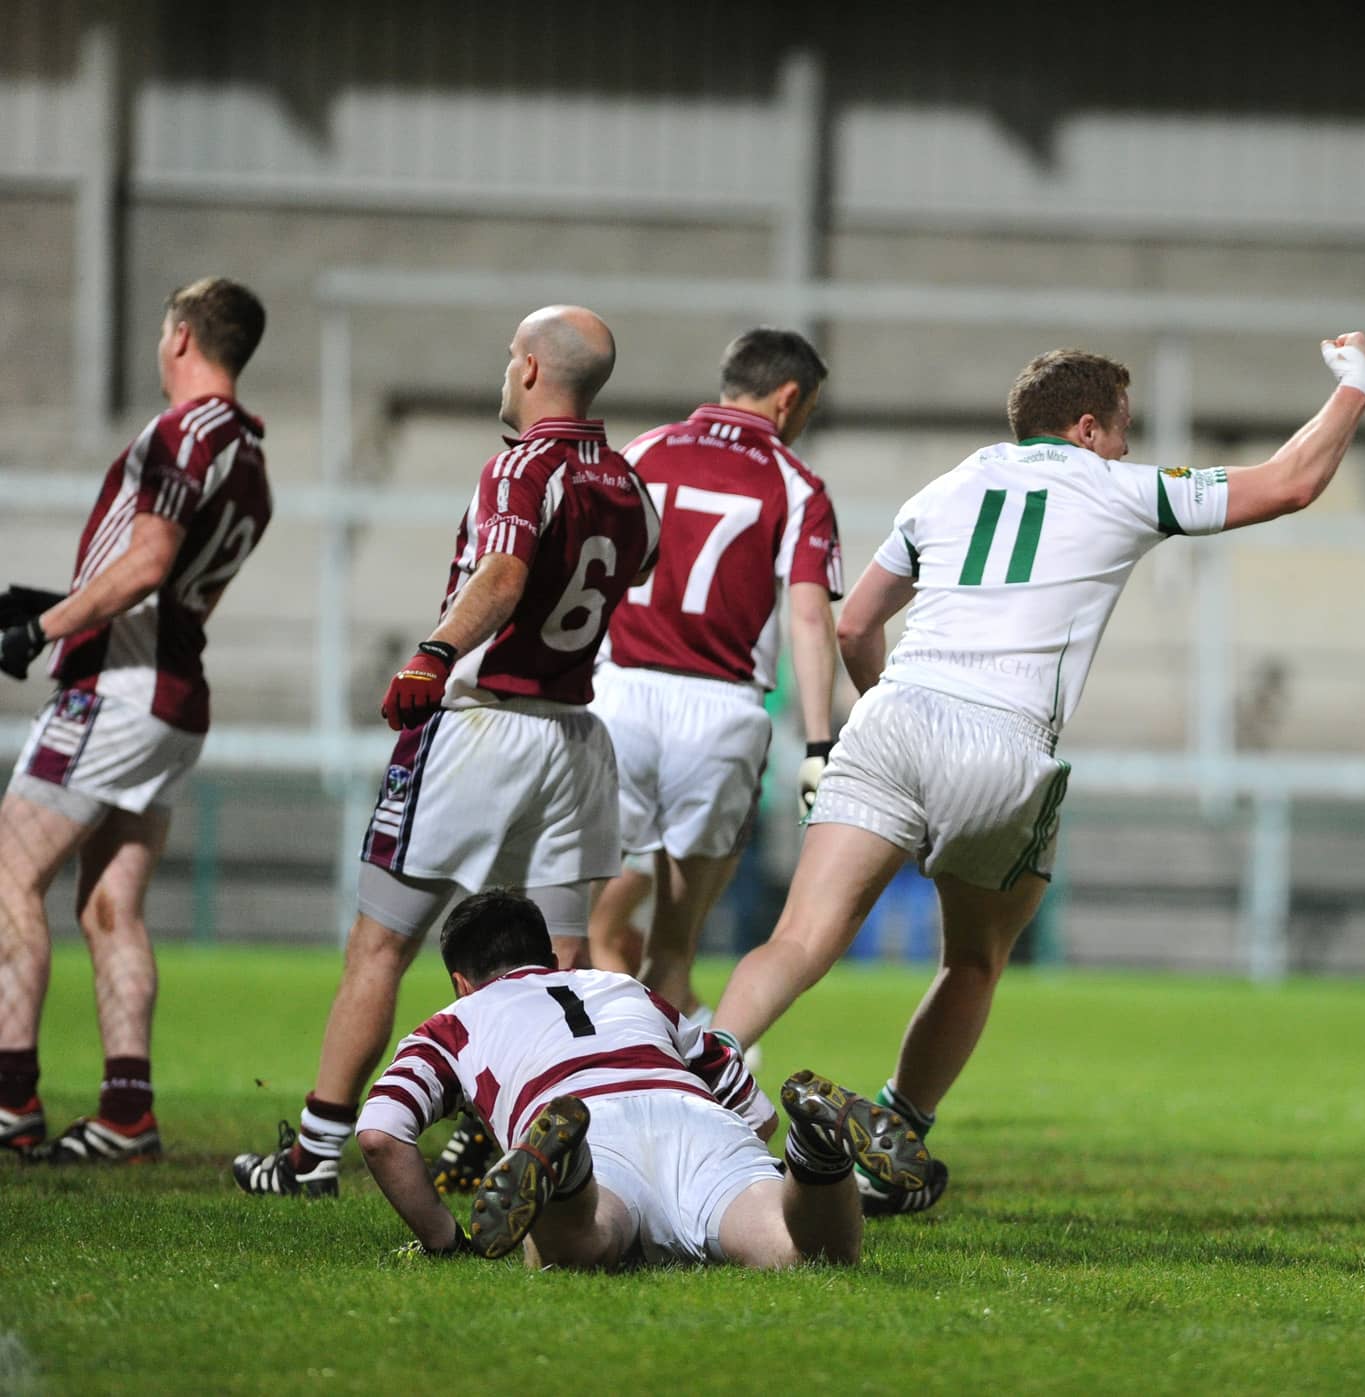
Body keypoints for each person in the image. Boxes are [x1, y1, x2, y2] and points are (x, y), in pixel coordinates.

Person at [709, 333, 1365, 1214]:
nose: (1130, 450)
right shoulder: (1117, 487)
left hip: (894, 712)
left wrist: (893, 730)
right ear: (1089, 427)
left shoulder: (945, 488)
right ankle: (897, 1137)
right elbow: (1291, 481)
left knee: (798, 940)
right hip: (1001, 740)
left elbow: (850, 627)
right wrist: (1356, 389)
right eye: (1124, 431)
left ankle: (697, 1074)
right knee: (976, 958)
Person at [232, 305, 660, 1198]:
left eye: (512, 357)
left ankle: (313, 1156)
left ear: (536, 371)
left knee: (381, 941)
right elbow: (629, 573)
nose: (506, 372)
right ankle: (576, 1144)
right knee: (564, 967)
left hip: (484, 726)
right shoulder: (631, 485)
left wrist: (433, 650)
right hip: (577, 737)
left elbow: (504, 574)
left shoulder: (520, 465)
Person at [0, 278, 271, 1163]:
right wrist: (70, 601)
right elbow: (188, 590)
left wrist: (38, 629)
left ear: (182, 335)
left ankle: (10, 1100)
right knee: (112, 903)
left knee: (10, 877)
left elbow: (151, 560)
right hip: (172, 696)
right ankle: (127, 1111)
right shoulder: (251, 460)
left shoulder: (180, 432)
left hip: (115, 689)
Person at [356, 889, 930, 1270]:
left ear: (461, 982)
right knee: (802, 1252)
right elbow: (755, 1114)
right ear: (553, 961)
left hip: (589, 1129)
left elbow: (380, 1134)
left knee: (578, 1248)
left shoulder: (454, 1023)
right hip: (692, 1115)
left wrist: (445, 1242)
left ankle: (567, 1167)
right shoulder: (624, 987)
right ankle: (817, 1146)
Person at [585, 327, 844, 1016]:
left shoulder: (642, 451)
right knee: (671, 949)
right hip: (718, 711)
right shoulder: (796, 485)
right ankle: (674, 1108)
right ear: (790, 398)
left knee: (571, 927)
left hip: (616, 697)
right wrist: (820, 745)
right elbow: (811, 619)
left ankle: (523, 1096)